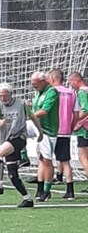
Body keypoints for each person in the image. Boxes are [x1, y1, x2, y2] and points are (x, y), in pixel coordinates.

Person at [0, 83, 35, 207]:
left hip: (19, 137)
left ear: (10, 94)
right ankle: (28, 199)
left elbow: (32, 116)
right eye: (0, 96)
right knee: (12, 175)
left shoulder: (21, 104)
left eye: (4, 96)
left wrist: (40, 132)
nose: (2, 98)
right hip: (7, 140)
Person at [29, 71, 58, 202]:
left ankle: (47, 190)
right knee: (41, 159)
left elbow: (44, 110)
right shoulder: (37, 93)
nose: (33, 87)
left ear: (43, 81)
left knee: (46, 160)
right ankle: (40, 189)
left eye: (35, 84)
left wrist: (29, 116)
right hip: (38, 129)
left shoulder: (51, 92)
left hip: (48, 131)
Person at [49, 68, 76, 199]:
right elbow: (76, 113)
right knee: (65, 161)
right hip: (65, 130)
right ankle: (70, 190)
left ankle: (44, 190)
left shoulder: (51, 92)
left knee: (45, 160)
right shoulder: (71, 92)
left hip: (51, 130)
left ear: (53, 78)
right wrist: (71, 125)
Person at [70, 71, 88, 193]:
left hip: (84, 129)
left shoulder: (82, 92)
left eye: (71, 82)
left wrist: (75, 121)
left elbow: (85, 109)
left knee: (84, 157)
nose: (71, 85)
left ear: (76, 81)